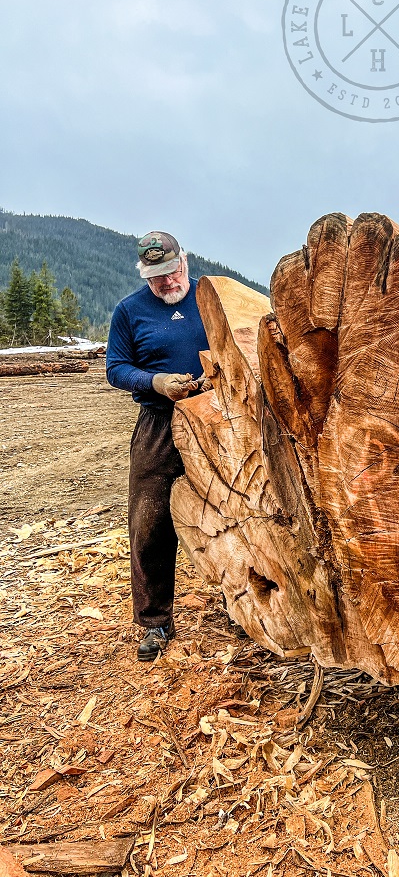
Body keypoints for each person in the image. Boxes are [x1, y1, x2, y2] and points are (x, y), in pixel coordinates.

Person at [106, 231, 210, 661]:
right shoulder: (129, 311)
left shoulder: (211, 296)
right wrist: (155, 382)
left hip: (219, 415)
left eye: (171, 272)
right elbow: (116, 368)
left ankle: (252, 602)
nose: (167, 283)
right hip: (159, 422)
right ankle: (155, 621)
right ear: (144, 274)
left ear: (184, 261)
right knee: (148, 521)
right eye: (156, 277)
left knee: (248, 508)